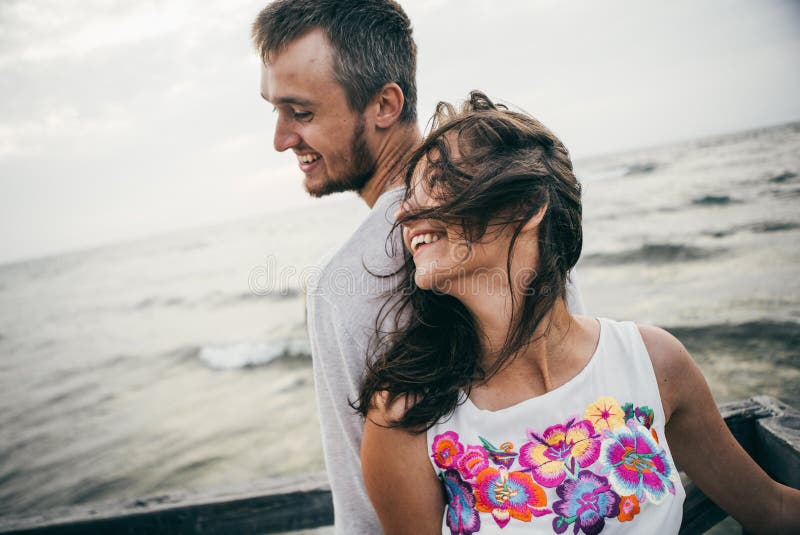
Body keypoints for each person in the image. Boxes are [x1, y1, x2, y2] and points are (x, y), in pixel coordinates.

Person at [356, 91, 800, 534]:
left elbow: (771, 510)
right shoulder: (406, 418)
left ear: (526, 205)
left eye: (436, 181)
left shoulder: (652, 362)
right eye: (408, 195)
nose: (404, 212)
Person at [252, 2, 585, 533]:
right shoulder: (510, 215)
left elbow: (365, 516)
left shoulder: (341, 285)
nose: (281, 137)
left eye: (303, 112)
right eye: (275, 109)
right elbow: (582, 394)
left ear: (385, 103)